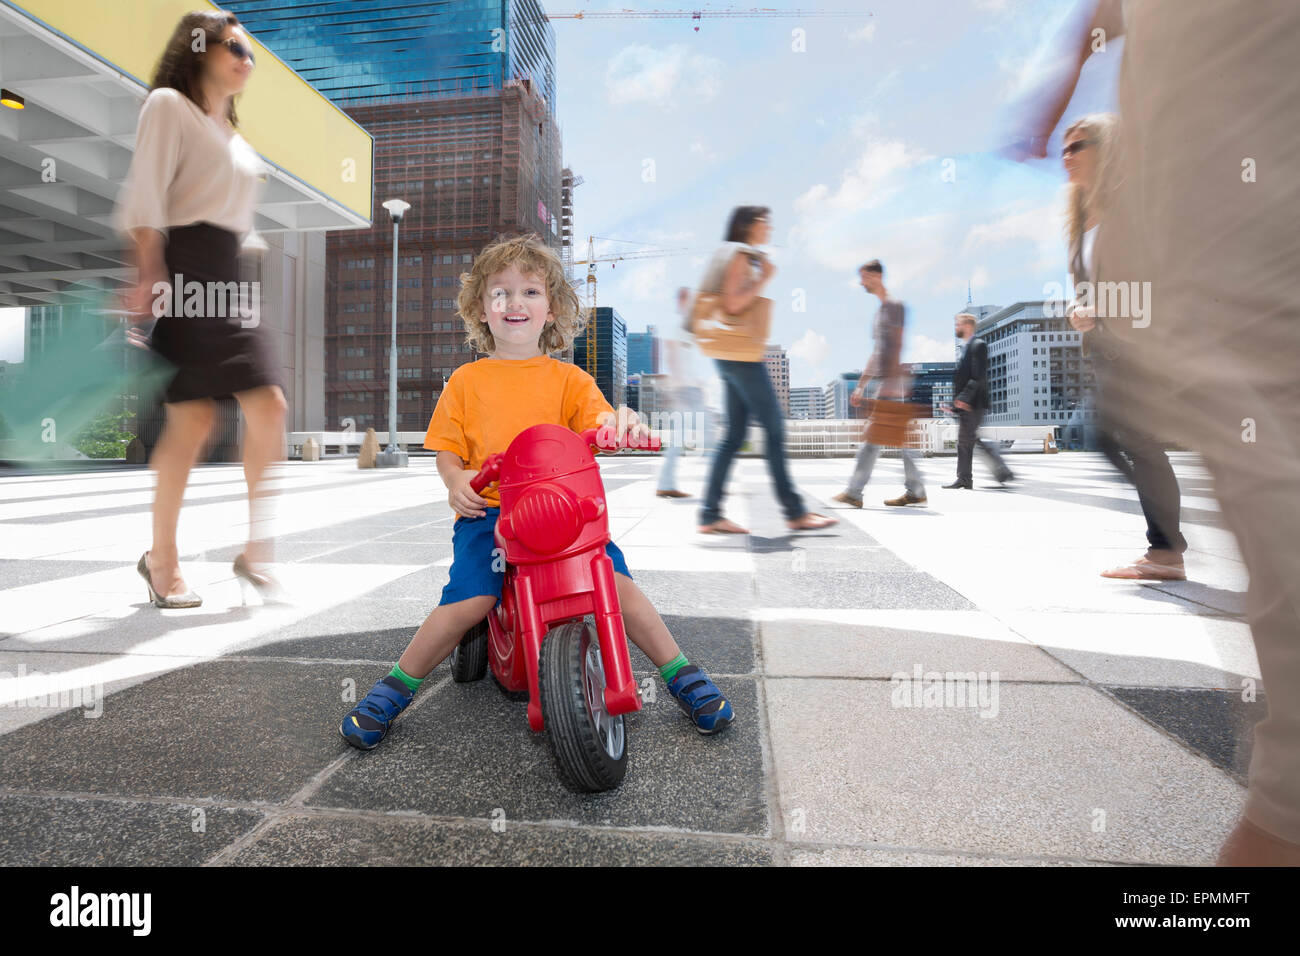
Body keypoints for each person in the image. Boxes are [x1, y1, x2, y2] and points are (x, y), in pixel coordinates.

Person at [1007, 0, 1300, 866]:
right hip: (1185, 294)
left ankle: (1282, 820)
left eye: (1076, 146)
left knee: (1254, 464)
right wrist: (1060, 78)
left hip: (1227, 252)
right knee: (1179, 445)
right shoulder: (1094, 214)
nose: (1067, 158)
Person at [340, 235, 734, 749]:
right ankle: (397, 685)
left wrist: (624, 423)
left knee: (614, 584)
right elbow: (447, 450)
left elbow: (603, 423)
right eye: (500, 293)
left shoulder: (569, 380)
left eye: (529, 291)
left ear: (550, 311)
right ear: (482, 310)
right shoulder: (465, 381)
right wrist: (457, 481)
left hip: (566, 513)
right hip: (494, 514)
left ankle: (679, 672)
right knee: (471, 599)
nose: (514, 303)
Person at [115, 10, 287, 608]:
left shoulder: (234, 134)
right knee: (193, 423)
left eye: (250, 53)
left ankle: (254, 549)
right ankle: (162, 560)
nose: (246, 59)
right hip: (187, 267)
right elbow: (146, 194)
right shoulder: (168, 105)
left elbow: (240, 219)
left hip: (232, 277)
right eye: (234, 47)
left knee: (270, 405)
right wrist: (149, 274)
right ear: (200, 50)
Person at [1062, 113, 1186, 581]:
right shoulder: (1080, 223)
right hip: (1107, 347)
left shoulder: (1130, 213)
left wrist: (1103, 307)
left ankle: (1167, 550)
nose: (1067, 157)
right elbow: (1092, 288)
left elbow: (1153, 281)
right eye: (1064, 149)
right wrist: (1082, 311)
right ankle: (1167, 542)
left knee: (1135, 441)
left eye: (1078, 146)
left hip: (1139, 345)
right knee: (1116, 438)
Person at [696, 206, 837, 534]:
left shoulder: (733, 253)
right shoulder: (740, 254)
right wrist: (764, 277)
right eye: (765, 222)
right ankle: (795, 511)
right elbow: (733, 304)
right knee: (774, 427)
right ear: (750, 225)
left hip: (728, 353)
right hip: (742, 354)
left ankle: (709, 513)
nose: (769, 227)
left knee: (734, 435)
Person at [832, 260, 927, 508]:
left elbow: (895, 344)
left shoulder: (894, 307)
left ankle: (854, 493)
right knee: (897, 438)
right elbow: (876, 353)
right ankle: (915, 490)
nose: (861, 283)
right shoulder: (882, 311)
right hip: (886, 382)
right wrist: (862, 385)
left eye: (864, 277)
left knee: (873, 438)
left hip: (891, 383)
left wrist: (891, 384)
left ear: (877, 276)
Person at [943, 312, 1013, 489]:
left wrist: (964, 400)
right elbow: (965, 379)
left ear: (967, 325)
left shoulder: (978, 345)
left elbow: (978, 376)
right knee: (969, 440)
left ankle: (967, 478)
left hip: (974, 404)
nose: (955, 328)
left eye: (958, 324)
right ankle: (1000, 471)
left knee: (966, 441)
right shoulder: (966, 347)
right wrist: (955, 405)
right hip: (966, 403)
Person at [654, 287, 711, 499]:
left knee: (683, 438)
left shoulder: (687, 327)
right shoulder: (677, 326)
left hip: (689, 389)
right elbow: (671, 355)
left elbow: (685, 361)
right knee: (708, 435)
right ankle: (716, 483)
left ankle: (666, 483)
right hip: (685, 391)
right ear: (682, 301)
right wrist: (679, 388)